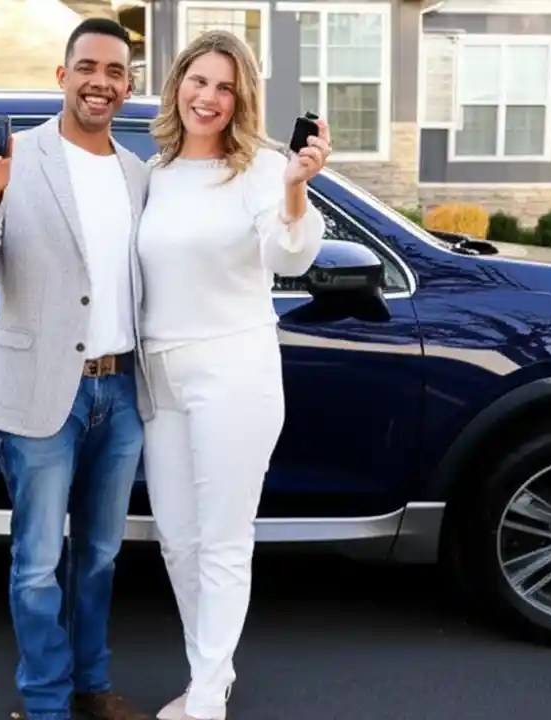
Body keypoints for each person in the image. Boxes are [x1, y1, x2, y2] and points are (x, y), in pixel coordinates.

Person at [0, 17, 153, 720]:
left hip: (120, 393)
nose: (102, 82)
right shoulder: (10, 161)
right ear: (62, 77)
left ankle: (91, 686)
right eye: (88, 67)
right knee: (36, 564)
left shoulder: (138, 175)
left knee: (97, 558)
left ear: (128, 86)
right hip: (40, 397)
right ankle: (45, 703)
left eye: (116, 71)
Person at [135, 30, 332, 720]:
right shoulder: (155, 173)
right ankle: (210, 670)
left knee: (222, 539)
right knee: (177, 541)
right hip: (160, 376)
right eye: (198, 81)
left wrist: (295, 189)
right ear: (178, 86)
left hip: (233, 369)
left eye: (225, 86)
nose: (209, 98)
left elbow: (289, 256)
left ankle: (207, 695)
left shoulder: (261, 169)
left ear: (241, 97)